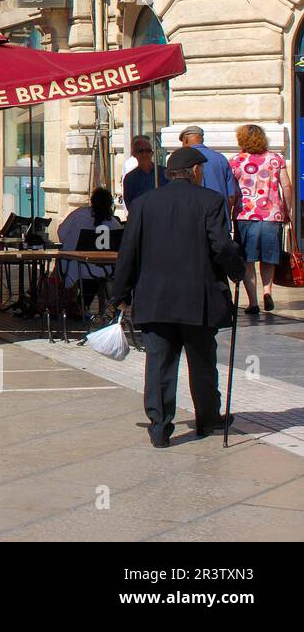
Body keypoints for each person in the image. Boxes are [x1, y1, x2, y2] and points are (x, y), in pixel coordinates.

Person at [110, 147, 244, 448]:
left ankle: (160, 427)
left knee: (159, 365)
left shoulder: (144, 204)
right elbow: (222, 247)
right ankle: (208, 418)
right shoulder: (210, 201)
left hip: (155, 299)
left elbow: (127, 253)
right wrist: (236, 272)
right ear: (194, 170)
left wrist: (118, 294)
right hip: (198, 299)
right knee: (202, 362)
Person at [229, 123, 291, 316]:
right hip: (272, 215)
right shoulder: (275, 159)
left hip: (245, 215)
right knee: (268, 258)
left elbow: (231, 191)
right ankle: (267, 291)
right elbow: (287, 186)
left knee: (248, 260)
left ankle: (253, 302)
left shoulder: (236, 161)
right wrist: (287, 210)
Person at [56, 187, 121, 316]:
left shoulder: (79, 214)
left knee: (64, 262)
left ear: (91, 201)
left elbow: (61, 234)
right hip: (105, 269)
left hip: (76, 268)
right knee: (94, 276)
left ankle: (68, 304)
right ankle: (82, 304)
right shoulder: (114, 223)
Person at [179, 125, 237, 220]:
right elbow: (231, 195)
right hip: (219, 217)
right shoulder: (220, 158)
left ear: (185, 140)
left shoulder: (182, 158)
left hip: (193, 218)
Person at [122, 135, 167, 211]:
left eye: (148, 151)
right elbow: (130, 205)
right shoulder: (130, 178)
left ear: (152, 153)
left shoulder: (164, 173)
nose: (144, 154)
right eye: (141, 151)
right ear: (134, 154)